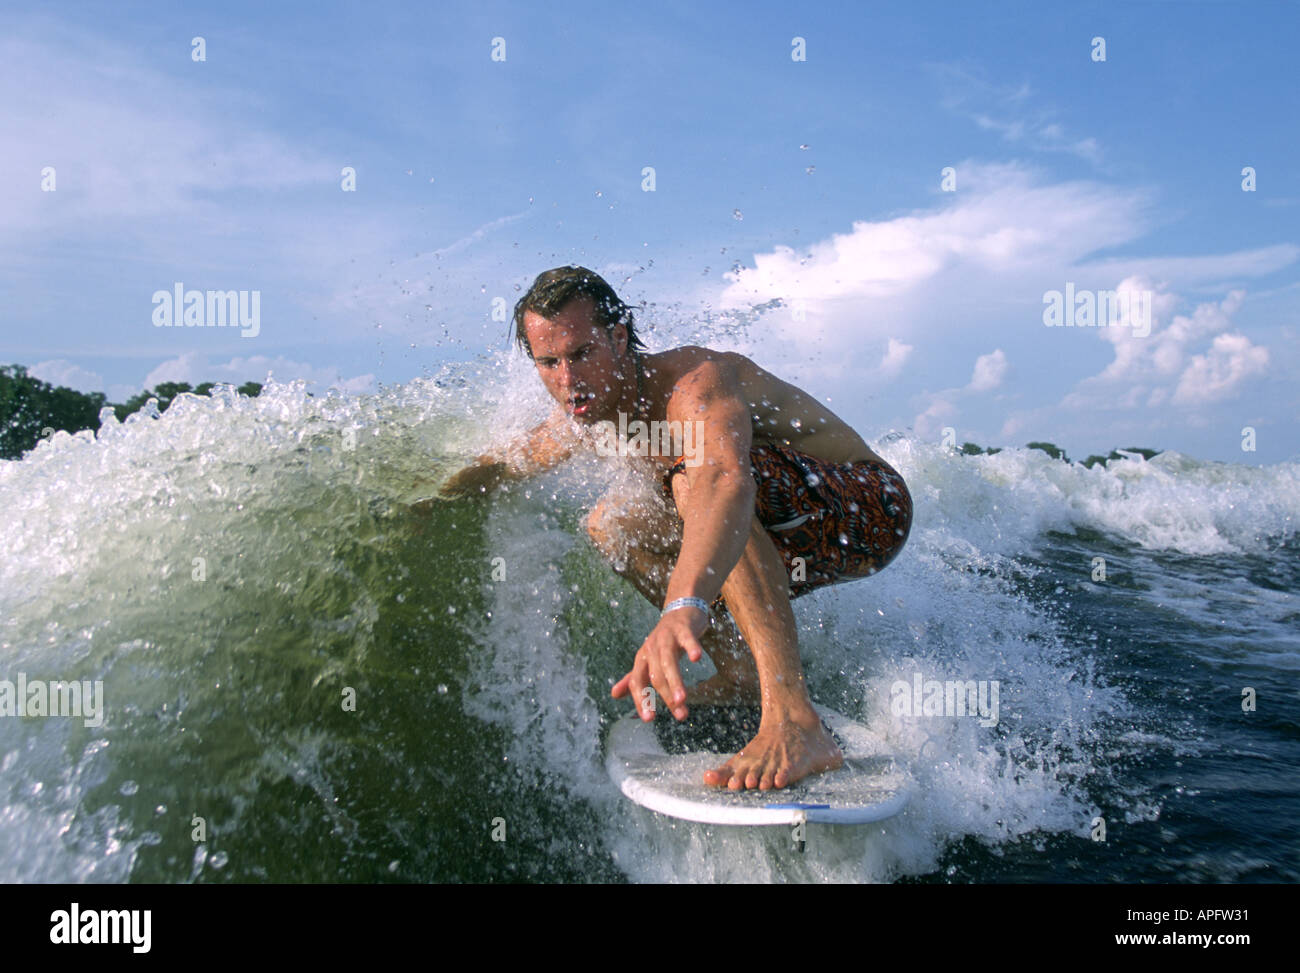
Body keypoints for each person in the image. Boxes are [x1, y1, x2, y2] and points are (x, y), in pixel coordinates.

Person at [437, 266, 912, 790]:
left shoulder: (694, 383)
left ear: (618, 337)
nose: (567, 380)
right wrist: (424, 502)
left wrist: (683, 607)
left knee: (690, 481)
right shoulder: (586, 413)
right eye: (549, 362)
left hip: (870, 509)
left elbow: (723, 481)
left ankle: (795, 721)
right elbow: (507, 463)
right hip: (792, 535)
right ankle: (742, 673)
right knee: (609, 525)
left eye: (581, 354)